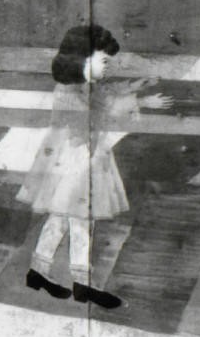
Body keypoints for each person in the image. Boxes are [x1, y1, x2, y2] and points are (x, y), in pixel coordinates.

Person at [23, 21, 149, 311]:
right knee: (80, 222)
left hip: (73, 160)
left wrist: (132, 90)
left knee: (61, 220)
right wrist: (132, 106)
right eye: (103, 61)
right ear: (83, 58)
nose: (107, 67)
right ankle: (84, 285)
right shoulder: (69, 92)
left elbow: (102, 100)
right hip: (75, 162)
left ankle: (37, 273)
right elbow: (92, 125)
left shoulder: (79, 86)